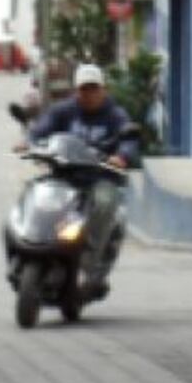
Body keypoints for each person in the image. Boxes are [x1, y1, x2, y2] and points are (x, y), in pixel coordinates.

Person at [24, 64, 138, 287]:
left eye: (94, 88)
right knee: (37, 193)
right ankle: (37, 241)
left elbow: (129, 140)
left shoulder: (115, 115)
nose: (89, 94)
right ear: (77, 90)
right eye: (84, 89)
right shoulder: (64, 111)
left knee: (105, 202)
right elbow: (41, 130)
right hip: (66, 175)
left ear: (103, 89)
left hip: (100, 177)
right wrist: (30, 143)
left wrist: (122, 156)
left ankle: (91, 256)